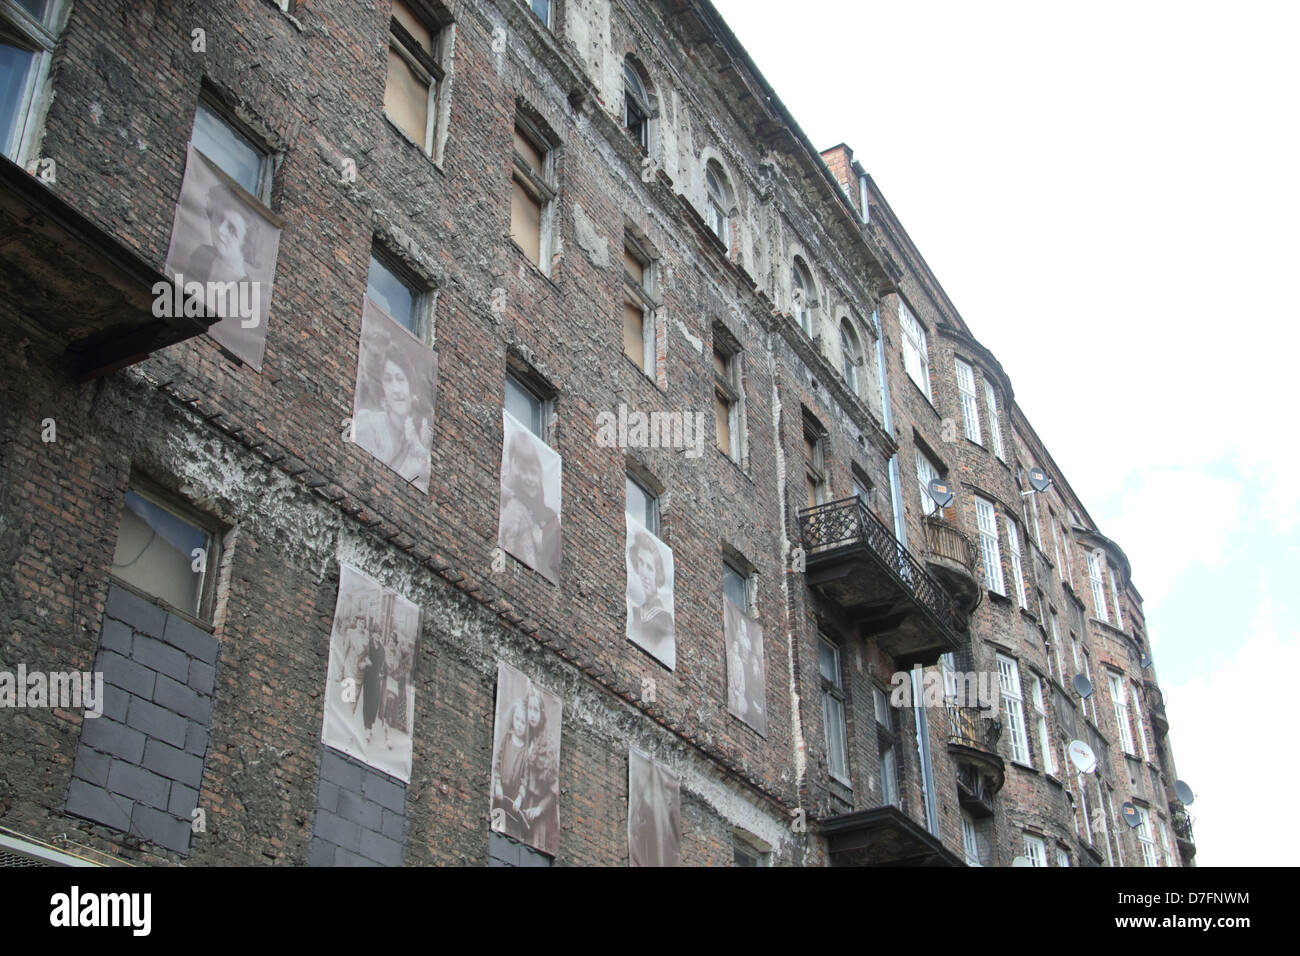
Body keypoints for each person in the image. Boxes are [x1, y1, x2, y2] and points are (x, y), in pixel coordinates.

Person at [353, 338, 433, 490]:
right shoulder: (369, 423)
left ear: (410, 385)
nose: (396, 389)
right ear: (381, 388)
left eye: (400, 379)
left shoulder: (422, 434)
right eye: (388, 380)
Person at [498, 427, 560, 581]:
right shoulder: (512, 504)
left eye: (533, 472)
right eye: (523, 470)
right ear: (515, 470)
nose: (529, 479)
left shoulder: (550, 517)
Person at [520, 684, 559, 854]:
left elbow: (553, 790)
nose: (532, 715)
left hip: (540, 811)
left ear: (542, 714)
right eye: (530, 709)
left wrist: (539, 809)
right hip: (525, 804)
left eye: (536, 710)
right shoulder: (526, 737)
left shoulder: (547, 745)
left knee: (535, 848)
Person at [627, 527, 674, 665]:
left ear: (657, 574)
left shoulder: (664, 621)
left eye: (650, 567)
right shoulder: (637, 612)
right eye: (641, 563)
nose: (644, 573)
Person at [491, 699, 530, 837]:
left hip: (513, 796)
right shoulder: (507, 739)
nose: (519, 725)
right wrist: (497, 784)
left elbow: (526, 777)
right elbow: (498, 762)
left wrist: (519, 797)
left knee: (511, 828)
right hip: (500, 791)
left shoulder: (526, 750)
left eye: (523, 722)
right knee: (497, 825)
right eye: (517, 719)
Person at [360, 626, 387, 747]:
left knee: (374, 702)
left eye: (379, 634)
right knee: (367, 701)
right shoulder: (368, 644)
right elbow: (363, 655)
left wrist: (382, 673)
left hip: (376, 677)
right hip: (367, 675)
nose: (378, 636)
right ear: (373, 634)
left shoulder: (382, 649)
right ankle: (367, 727)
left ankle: (369, 724)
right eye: (376, 633)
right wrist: (366, 660)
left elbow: (383, 664)